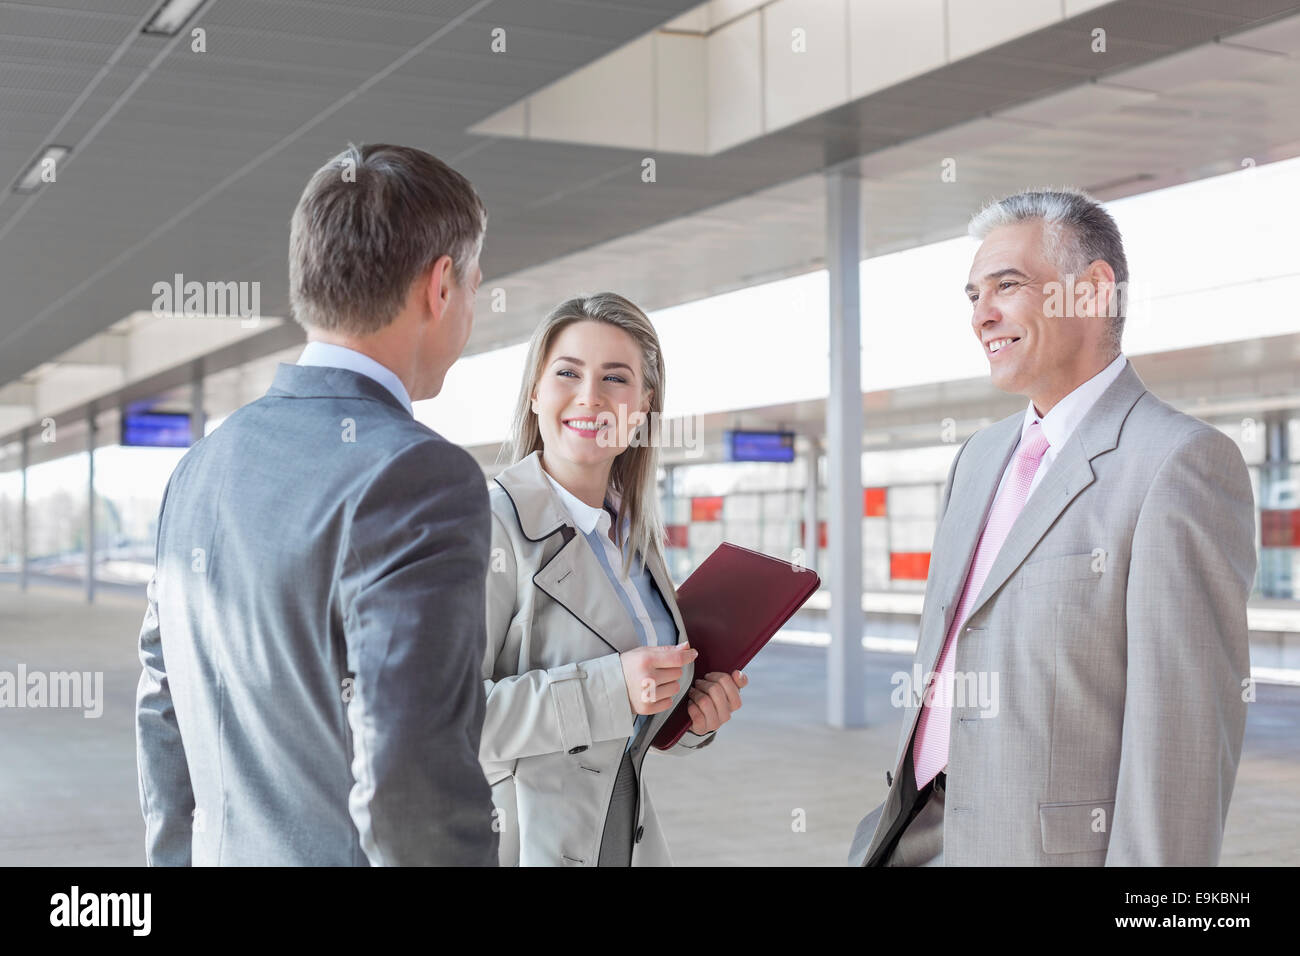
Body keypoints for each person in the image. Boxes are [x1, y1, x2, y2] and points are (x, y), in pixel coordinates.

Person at [848, 187, 1256, 866]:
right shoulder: (978, 458)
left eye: (1006, 285)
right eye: (973, 295)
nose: (982, 315)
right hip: (910, 837)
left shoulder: (1178, 464)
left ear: (1092, 291)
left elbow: (1179, 745)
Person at [135, 143, 498, 866]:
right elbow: (411, 789)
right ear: (441, 286)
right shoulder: (419, 474)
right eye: (477, 286)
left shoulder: (199, 469)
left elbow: (163, 716)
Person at [481, 292, 747, 866]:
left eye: (616, 379)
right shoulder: (486, 526)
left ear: (645, 403)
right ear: (534, 392)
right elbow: (437, 718)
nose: (590, 398)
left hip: (621, 837)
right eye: (568, 372)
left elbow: (633, 708)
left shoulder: (632, 538)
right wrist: (609, 689)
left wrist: (691, 714)